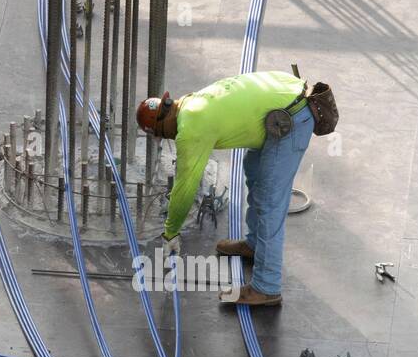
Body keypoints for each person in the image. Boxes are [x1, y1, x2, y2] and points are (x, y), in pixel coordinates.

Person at [137, 70, 325, 306]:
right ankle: (255, 244)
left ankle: (267, 287)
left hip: (292, 118)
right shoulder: (190, 102)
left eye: (164, 135)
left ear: (164, 125)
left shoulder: (191, 127)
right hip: (286, 96)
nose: (170, 139)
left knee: (270, 204)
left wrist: (170, 231)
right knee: (254, 169)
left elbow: (185, 188)